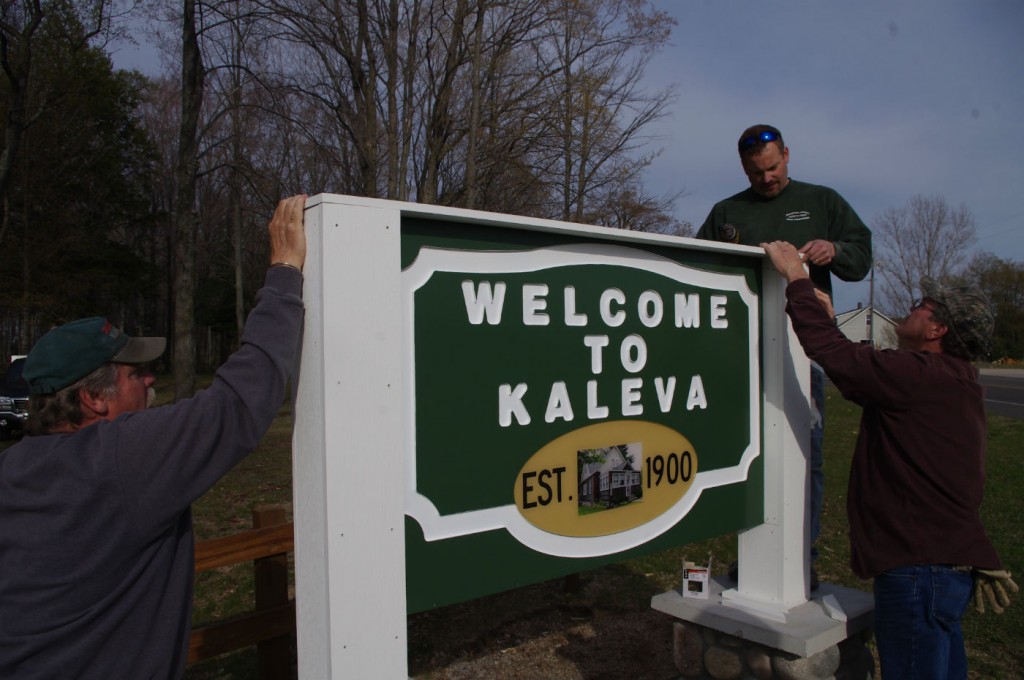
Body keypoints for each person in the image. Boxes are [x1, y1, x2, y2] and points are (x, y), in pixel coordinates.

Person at [0, 195, 308, 679]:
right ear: (94, 398)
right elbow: (237, 404)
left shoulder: (13, 469)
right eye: (135, 373)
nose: (149, 380)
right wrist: (284, 275)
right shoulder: (117, 459)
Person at [761, 239, 1015, 680]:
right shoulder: (949, 380)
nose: (911, 309)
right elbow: (859, 369)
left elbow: (839, 358)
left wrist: (796, 279)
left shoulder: (922, 377)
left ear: (937, 330)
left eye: (922, 307)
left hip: (919, 571)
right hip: (941, 569)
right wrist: (824, 319)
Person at [697, 124, 873, 582]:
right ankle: (753, 554)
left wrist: (836, 249)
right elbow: (698, 268)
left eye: (773, 168)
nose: (767, 178)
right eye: (756, 173)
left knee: (804, 451)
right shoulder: (727, 212)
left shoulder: (822, 201)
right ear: (743, 169)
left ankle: (800, 557)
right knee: (742, 453)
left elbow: (861, 258)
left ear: (787, 155)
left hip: (803, 352)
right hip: (741, 353)